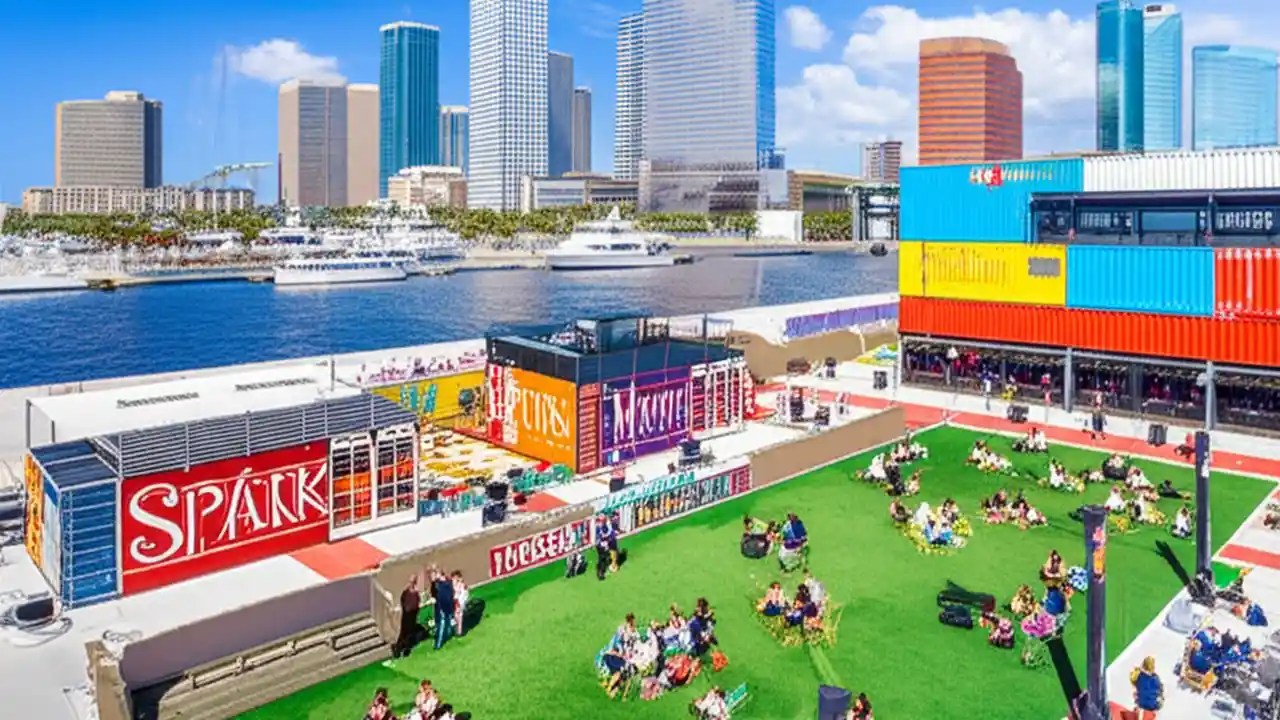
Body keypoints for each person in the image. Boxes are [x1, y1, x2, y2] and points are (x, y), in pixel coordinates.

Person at [394, 576, 422, 658]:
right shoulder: (409, 593)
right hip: (408, 616)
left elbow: (415, 605)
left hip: (409, 617)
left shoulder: (411, 593)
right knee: (405, 634)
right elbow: (415, 605)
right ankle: (400, 649)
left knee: (406, 635)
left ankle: (403, 650)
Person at [431, 569, 455, 650]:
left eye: (435, 574)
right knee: (443, 625)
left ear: (440, 574)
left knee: (443, 625)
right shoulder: (439, 584)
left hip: (445, 606)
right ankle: (439, 643)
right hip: (442, 607)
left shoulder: (444, 584)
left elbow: (446, 595)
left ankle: (438, 644)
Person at [451, 571, 469, 637]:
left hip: (460, 602)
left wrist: (460, 601)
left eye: (454, 578)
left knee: (458, 613)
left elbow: (464, 594)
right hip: (455, 602)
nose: (453, 580)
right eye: (453, 578)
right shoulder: (452, 585)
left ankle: (460, 630)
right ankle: (458, 628)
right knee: (456, 615)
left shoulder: (462, 585)